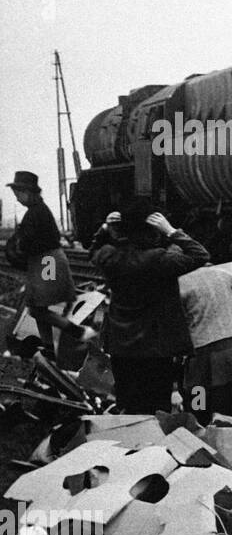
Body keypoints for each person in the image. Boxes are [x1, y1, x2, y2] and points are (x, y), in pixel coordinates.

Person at [90, 199, 209, 414]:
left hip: (120, 346)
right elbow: (200, 255)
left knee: (128, 404)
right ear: (153, 231)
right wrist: (172, 231)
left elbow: (93, 251)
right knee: (156, 408)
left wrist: (105, 228)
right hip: (155, 349)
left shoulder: (109, 256)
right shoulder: (160, 260)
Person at [4, 171, 94, 356]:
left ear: (29, 192)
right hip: (45, 260)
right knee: (38, 308)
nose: (18, 198)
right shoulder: (37, 210)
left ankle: (79, 332)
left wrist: (19, 250)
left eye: (19, 193)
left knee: (38, 309)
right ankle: (49, 348)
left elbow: (28, 242)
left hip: (47, 261)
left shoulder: (36, 212)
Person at [178, 264, 232, 423]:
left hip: (201, 354)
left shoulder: (178, 284)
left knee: (198, 401)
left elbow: (178, 329)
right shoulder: (226, 276)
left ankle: (199, 428)